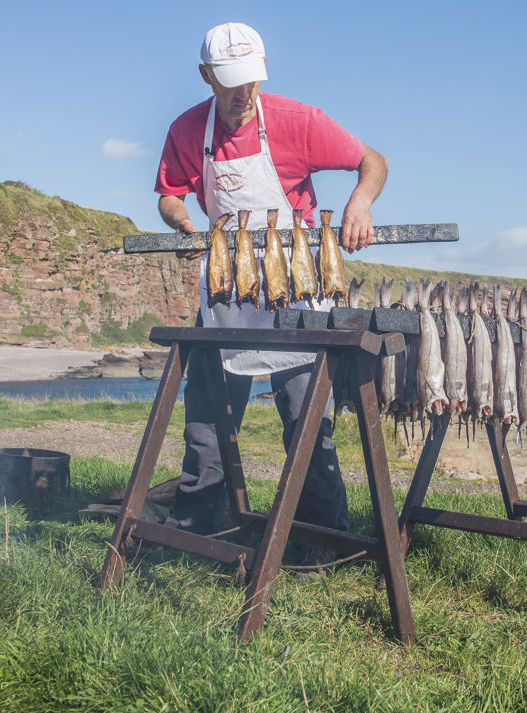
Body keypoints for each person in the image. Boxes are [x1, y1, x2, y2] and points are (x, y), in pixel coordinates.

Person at [153, 22, 388, 546]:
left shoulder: (296, 120)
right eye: (231, 82)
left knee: (307, 421)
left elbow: (373, 161)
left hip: (299, 294)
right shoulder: (188, 130)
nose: (243, 95)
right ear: (205, 76)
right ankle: (196, 535)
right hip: (227, 295)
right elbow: (169, 194)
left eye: (252, 81)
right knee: (208, 425)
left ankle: (323, 542)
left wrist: (360, 203)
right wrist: (182, 222)